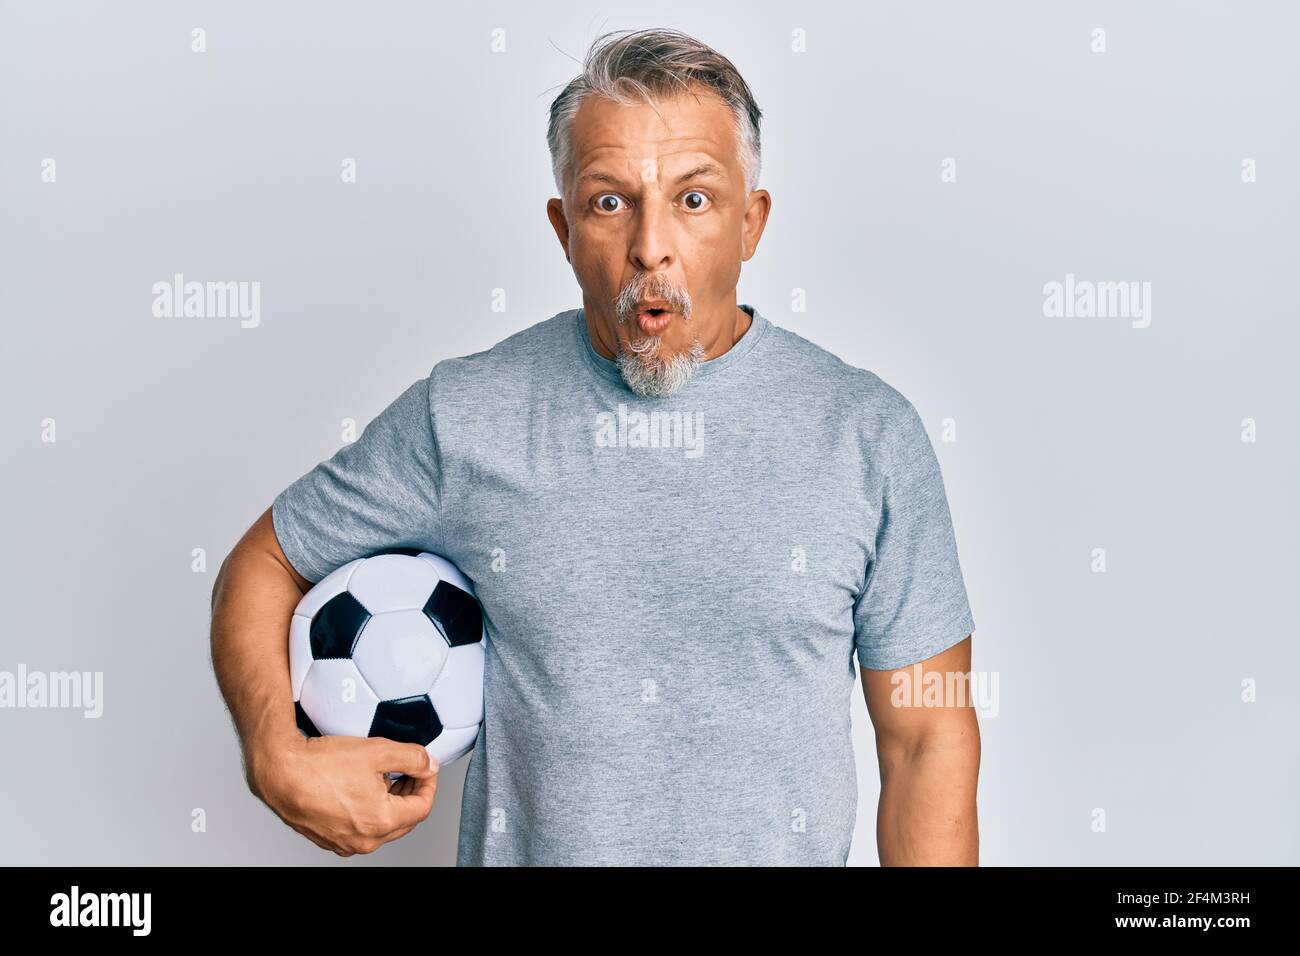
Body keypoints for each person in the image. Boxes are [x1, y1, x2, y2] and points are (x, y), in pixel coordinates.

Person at [210, 27, 979, 865]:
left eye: (694, 199)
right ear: (563, 227)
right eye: (609, 201)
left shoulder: (866, 435)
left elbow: (925, 740)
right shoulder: (466, 415)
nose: (651, 248)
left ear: (751, 222)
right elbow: (265, 563)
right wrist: (273, 753)